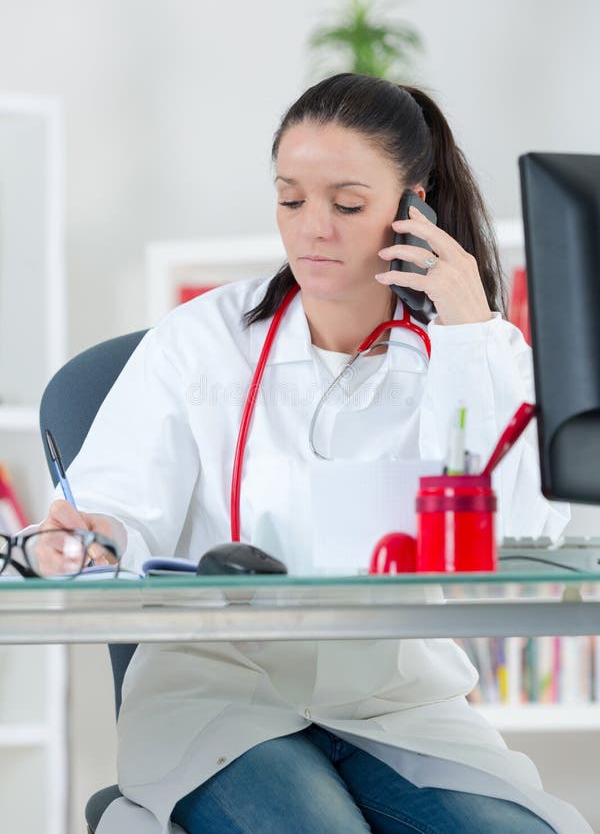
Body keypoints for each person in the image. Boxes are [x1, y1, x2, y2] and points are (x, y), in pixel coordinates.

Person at [41, 74, 589, 834]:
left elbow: (517, 529)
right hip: (219, 697)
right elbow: (117, 510)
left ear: (414, 207)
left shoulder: (469, 349)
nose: (312, 230)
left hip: (395, 701)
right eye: (291, 199)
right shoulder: (201, 340)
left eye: (348, 203)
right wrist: (88, 535)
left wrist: (470, 333)